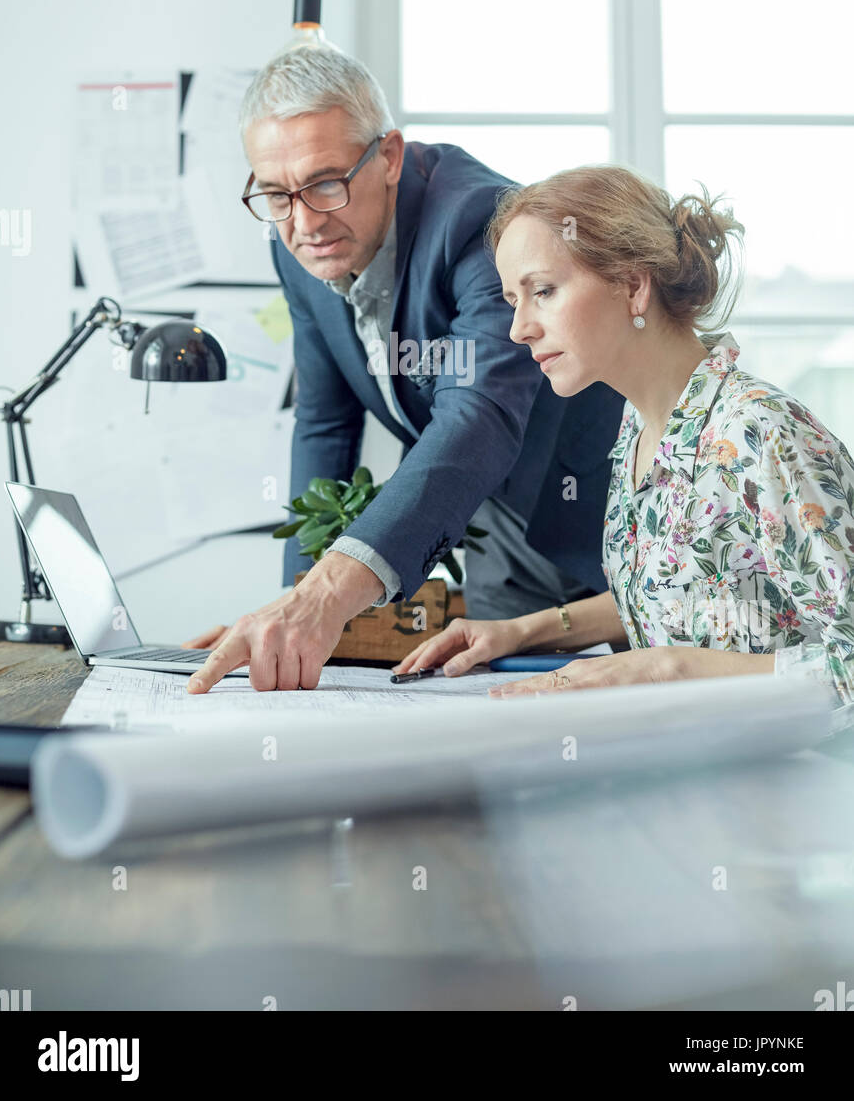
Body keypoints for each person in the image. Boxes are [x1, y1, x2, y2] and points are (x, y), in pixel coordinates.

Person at [183, 48, 623, 694]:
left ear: (388, 155)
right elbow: (324, 424)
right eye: (276, 194)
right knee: (514, 715)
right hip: (492, 515)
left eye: (326, 183)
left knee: (647, 709)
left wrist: (328, 597)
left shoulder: (483, 222)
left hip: (602, 506)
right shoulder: (299, 247)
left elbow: (477, 414)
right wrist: (292, 608)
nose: (304, 222)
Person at [394, 164, 854, 719]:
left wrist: (669, 668)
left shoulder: (763, 435)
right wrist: (522, 631)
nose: (519, 329)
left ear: (634, 286)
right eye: (513, 300)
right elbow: (685, 596)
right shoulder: (636, 429)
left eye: (543, 291)